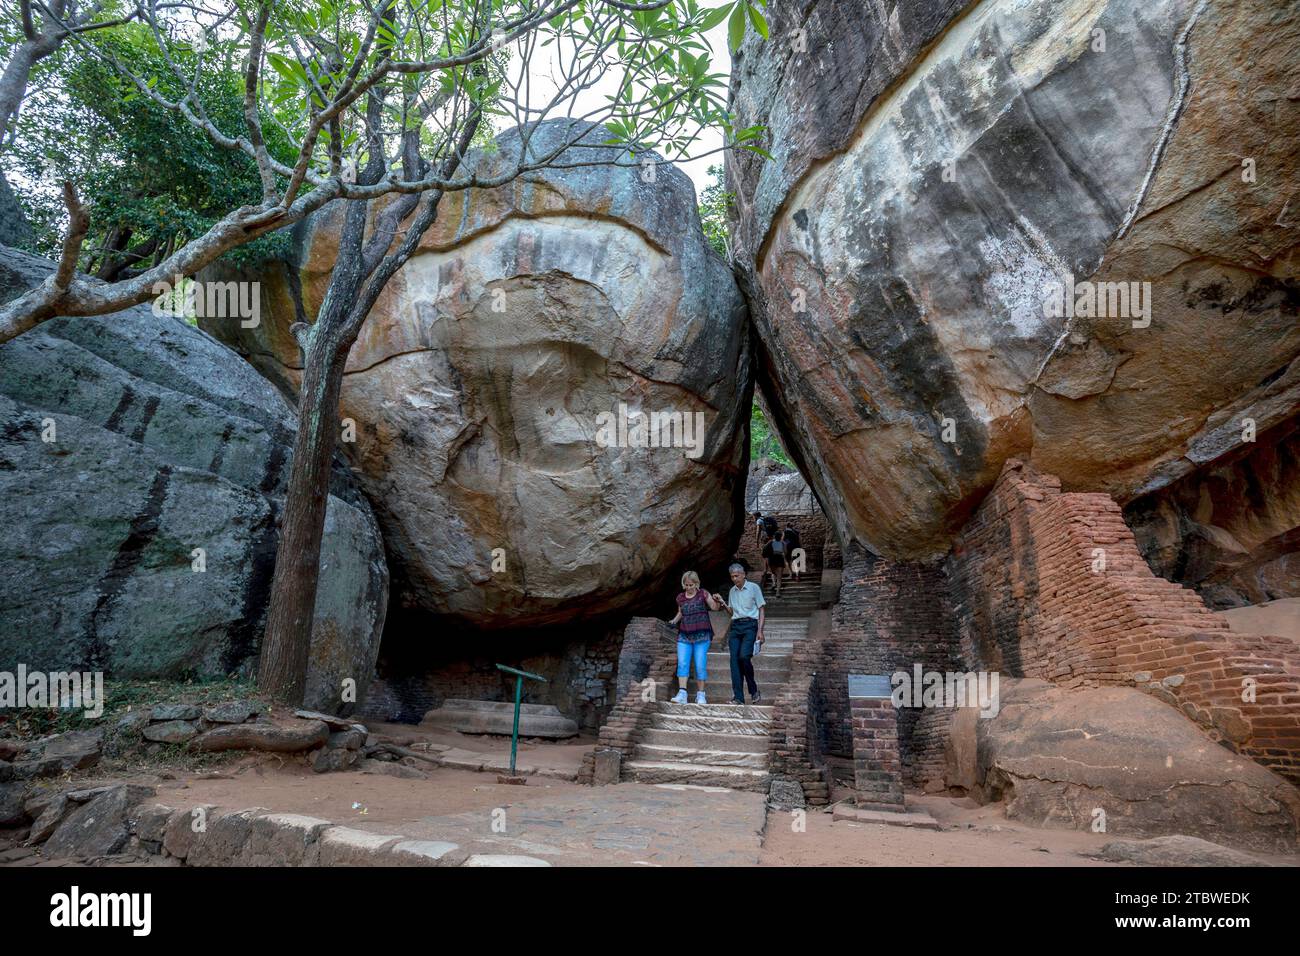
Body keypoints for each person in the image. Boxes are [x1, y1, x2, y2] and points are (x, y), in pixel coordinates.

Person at [712, 563, 765, 705]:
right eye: (732, 576)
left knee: (744, 656)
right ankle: (738, 698)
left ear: (743, 575)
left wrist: (760, 631)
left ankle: (753, 690)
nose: (735, 579)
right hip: (735, 628)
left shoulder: (754, 588)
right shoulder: (732, 591)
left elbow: (761, 610)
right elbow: (732, 613)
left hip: (750, 626)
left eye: (737, 576)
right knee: (734, 662)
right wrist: (722, 603)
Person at [668, 570, 722, 704]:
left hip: (702, 635)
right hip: (685, 635)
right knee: (683, 663)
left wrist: (719, 601)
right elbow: (680, 612)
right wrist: (674, 621)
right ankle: (682, 694)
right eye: (686, 585)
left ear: (696, 583)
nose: (689, 587)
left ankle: (701, 695)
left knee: (700, 664)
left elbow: (715, 608)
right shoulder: (680, 597)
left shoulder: (703, 593)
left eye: (691, 584)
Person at [762, 530, 788, 596]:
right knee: (779, 577)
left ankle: (774, 583)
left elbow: (764, 549)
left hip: (772, 559)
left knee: (773, 573)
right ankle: (778, 592)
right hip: (780, 558)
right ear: (781, 536)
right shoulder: (783, 543)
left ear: (774, 536)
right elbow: (785, 552)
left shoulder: (770, 542)